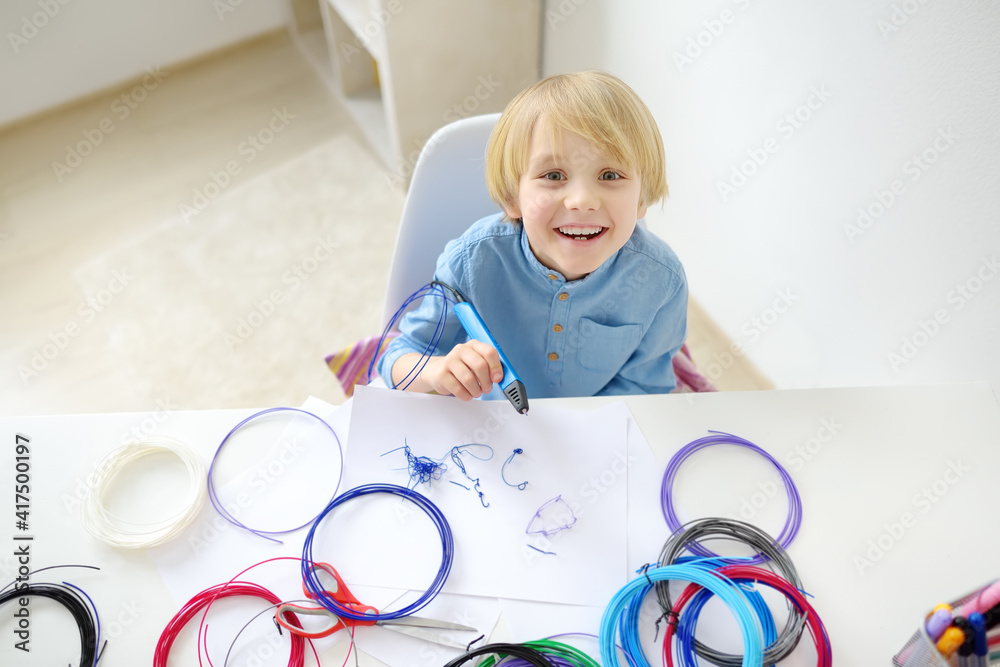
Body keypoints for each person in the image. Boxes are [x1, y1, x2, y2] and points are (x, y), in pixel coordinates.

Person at [377, 70, 688, 400]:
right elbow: (398, 357)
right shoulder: (470, 262)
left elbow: (644, 390)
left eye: (610, 174)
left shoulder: (662, 282)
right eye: (554, 175)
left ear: (641, 199)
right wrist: (437, 372)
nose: (582, 200)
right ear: (513, 197)